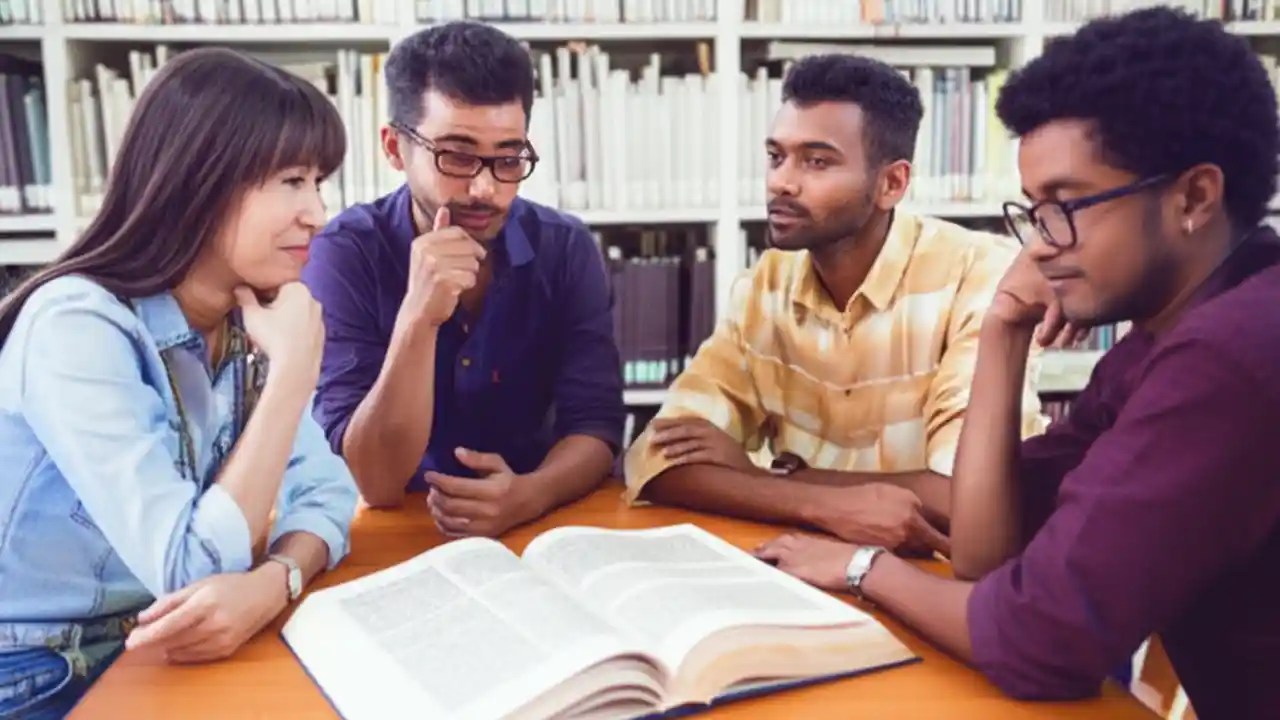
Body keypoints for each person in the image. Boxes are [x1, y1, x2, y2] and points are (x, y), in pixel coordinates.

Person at [755, 8, 1280, 717]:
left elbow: (1042, 639)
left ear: (1193, 197)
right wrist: (1003, 329)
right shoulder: (1164, 339)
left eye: (1066, 205)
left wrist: (862, 568)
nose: (1040, 246)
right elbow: (985, 552)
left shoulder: (1230, 355)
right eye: (1033, 210)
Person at [0, 47, 358, 717]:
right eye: (292, 180)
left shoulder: (246, 317)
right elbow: (191, 567)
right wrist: (293, 374)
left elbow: (328, 494)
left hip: (151, 647)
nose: (318, 212)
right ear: (202, 180)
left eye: (319, 182)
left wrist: (275, 581)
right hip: (33, 674)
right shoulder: (77, 326)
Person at [622, 53, 1046, 553]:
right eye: (776, 157)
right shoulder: (766, 284)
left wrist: (770, 477)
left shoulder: (979, 275)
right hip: (800, 561)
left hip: (936, 576)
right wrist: (821, 504)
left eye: (816, 161)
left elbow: (968, 500)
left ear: (892, 184)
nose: (781, 182)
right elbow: (656, 458)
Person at [300, 21, 624, 536]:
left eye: (509, 159)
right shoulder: (344, 254)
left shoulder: (565, 248)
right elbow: (374, 482)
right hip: (395, 530)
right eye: (456, 155)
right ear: (394, 147)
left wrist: (532, 494)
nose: (485, 189)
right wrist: (418, 319)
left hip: (538, 518)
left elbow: (596, 426)